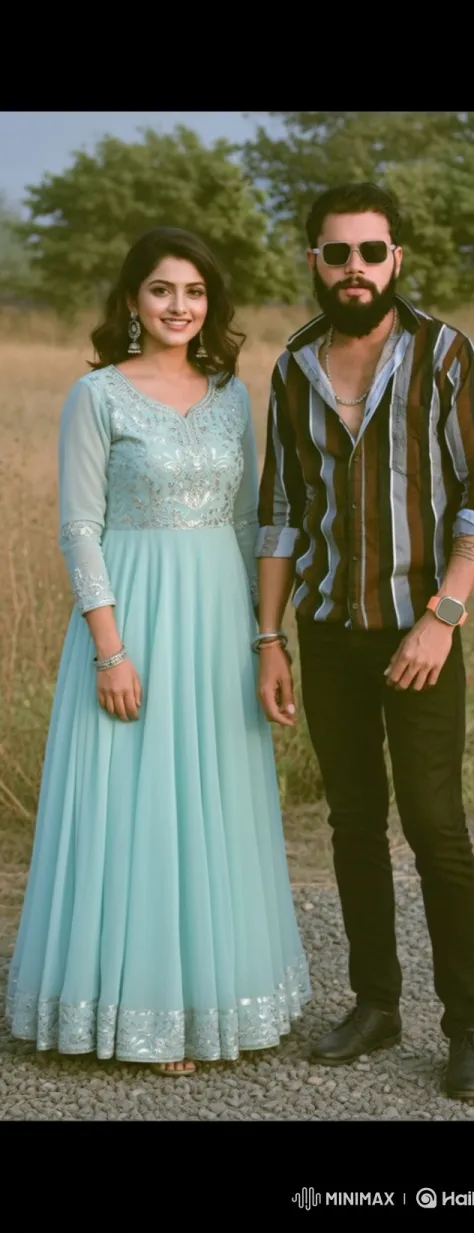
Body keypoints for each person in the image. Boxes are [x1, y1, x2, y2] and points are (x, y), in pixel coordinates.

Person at [5, 226, 310, 1075]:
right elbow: (79, 529)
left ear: (211, 304)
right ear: (132, 300)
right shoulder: (96, 395)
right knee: (135, 806)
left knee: (211, 802)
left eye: (196, 293)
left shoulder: (229, 397)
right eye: (162, 290)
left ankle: (213, 1000)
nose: (181, 306)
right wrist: (110, 650)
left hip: (217, 625)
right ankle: (135, 1010)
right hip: (133, 621)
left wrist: (266, 636)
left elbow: (253, 523)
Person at [255, 183, 474, 1100]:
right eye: (337, 253)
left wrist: (443, 615)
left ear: (395, 258)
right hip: (326, 634)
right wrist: (268, 637)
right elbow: (281, 514)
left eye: (371, 252)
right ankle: (376, 1002)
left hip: (421, 635)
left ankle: (468, 1023)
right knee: (354, 823)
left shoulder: (446, 353)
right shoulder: (292, 368)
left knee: (436, 825)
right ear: (315, 263)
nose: (354, 269)